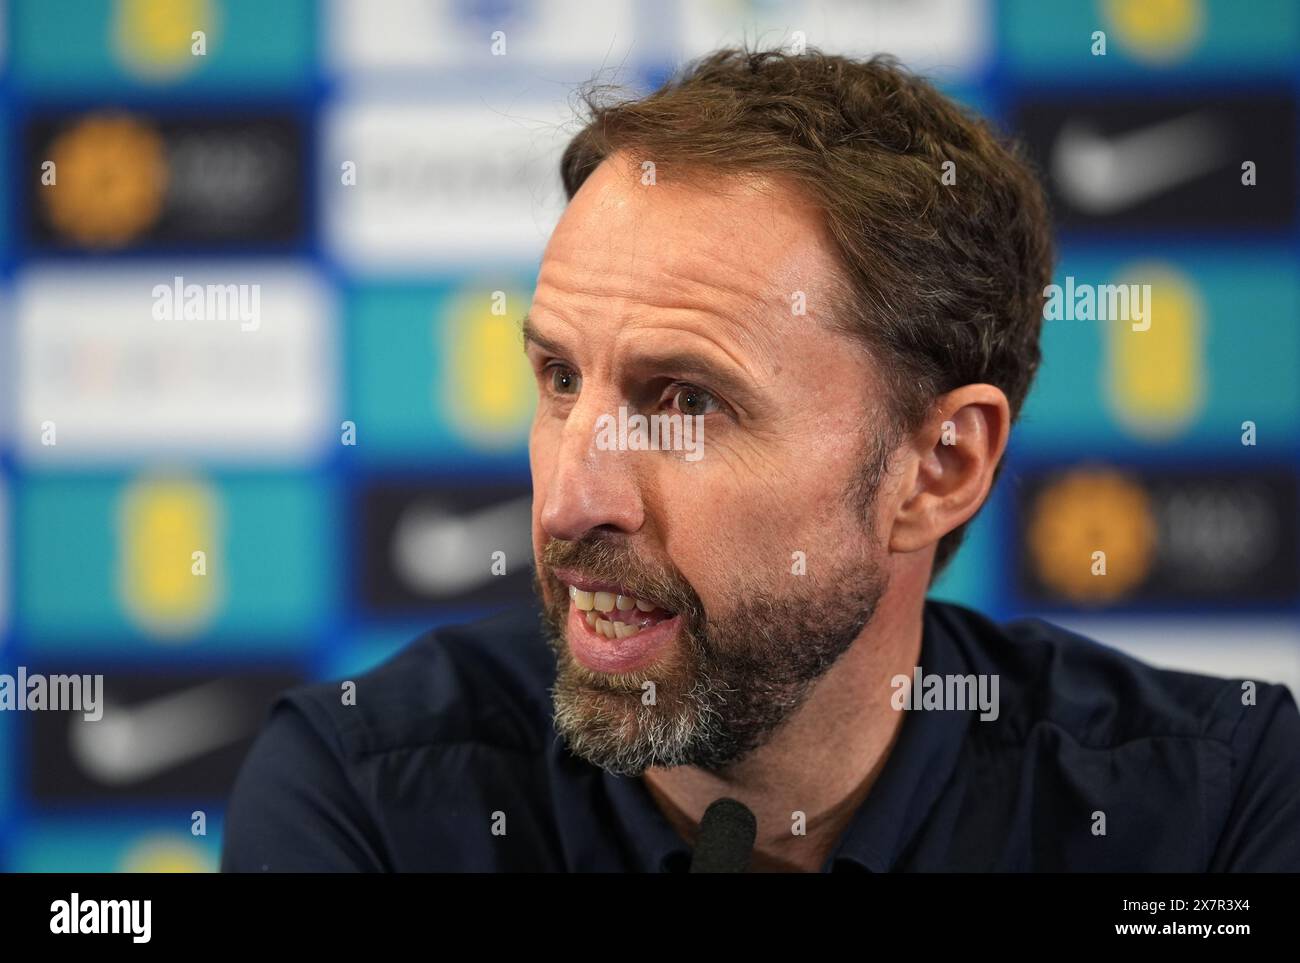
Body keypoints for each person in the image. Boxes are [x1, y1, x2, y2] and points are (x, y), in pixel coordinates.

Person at [222, 47, 1300, 872]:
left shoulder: (1209, 806)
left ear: (937, 469)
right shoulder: (368, 799)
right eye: (560, 380)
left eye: (685, 402)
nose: (566, 502)